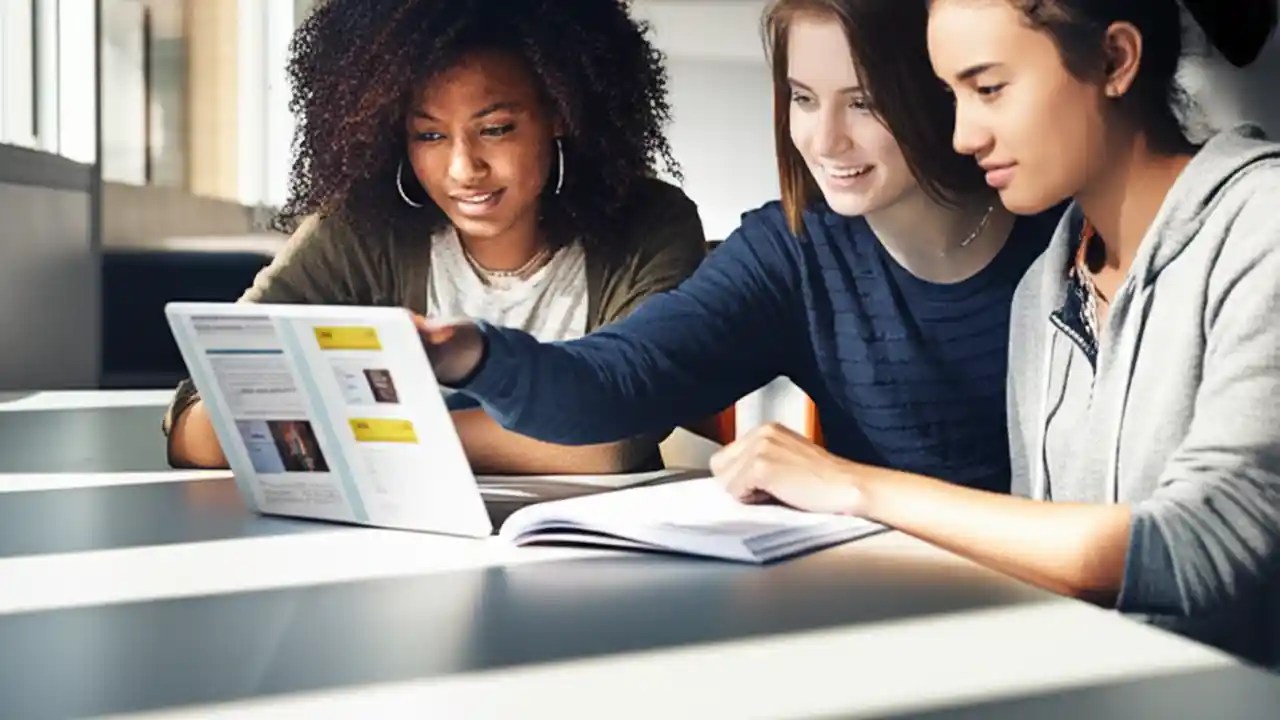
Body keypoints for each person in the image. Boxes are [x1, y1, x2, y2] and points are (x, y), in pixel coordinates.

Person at [717, 0, 1280, 665]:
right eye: (953, 94)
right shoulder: (1043, 291)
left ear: (1114, 59)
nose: (961, 135)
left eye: (989, 89)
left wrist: (857, 486)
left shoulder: (1261, 229)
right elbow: (1043, 572)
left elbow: (1204, 545)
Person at [419, 0, 1063, 499]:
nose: (826, 140)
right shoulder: (791, 255)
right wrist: (470, 354)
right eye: (804, 100)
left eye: (863, 103)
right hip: (883, 593)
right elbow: (615, 380)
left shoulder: (1064, 230)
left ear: (935, 90)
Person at [162, 0, 707, 474]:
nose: (463, 167)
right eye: (429, 135)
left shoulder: (650, 225)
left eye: (495, 129)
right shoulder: (361, 230)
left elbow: (615, 436)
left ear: (560, 112)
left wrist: (349, 435)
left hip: (592, 562)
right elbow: (198, 420)